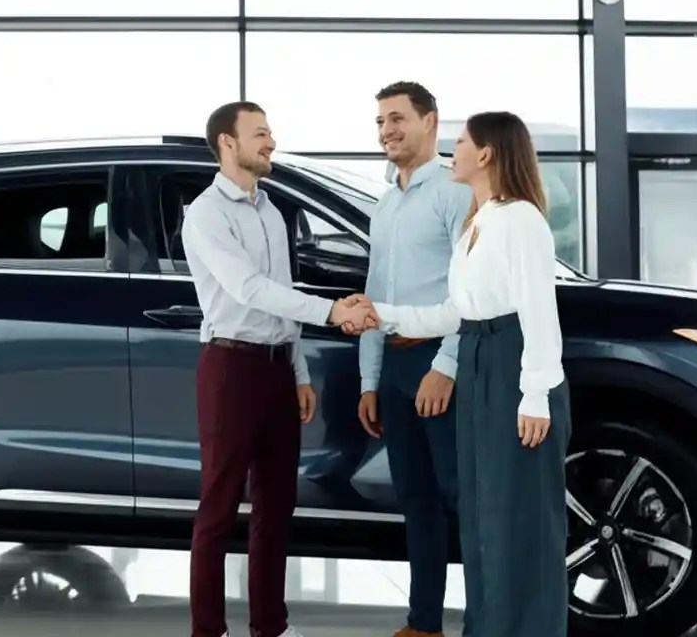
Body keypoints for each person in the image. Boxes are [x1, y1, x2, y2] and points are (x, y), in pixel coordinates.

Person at [345, 111, 570, 637]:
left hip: (514, 368)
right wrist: (385, 314)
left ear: (487, 153)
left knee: (520, 519)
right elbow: (457, 311)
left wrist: (535, 394)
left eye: (462, 143)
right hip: (478, 356)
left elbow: (540, 312)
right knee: (482, 513)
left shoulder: (521, 220)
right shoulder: (482, 219)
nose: (454, 152)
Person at [181, 100, 377, 637]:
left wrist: (297, 371)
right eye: (260, 133)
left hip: (273, 371)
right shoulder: (205, 214)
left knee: (276, 506)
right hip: (230, 368)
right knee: (218, 508)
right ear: (228, 143)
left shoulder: (269, 210)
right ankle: (208, 630)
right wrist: (334, 311)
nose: (271, 141)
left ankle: (270, 624)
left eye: (270, 132)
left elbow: (282, 296)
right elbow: (248, 290)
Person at [358, 82, 474, 637]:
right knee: (416, 500)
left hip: (438, 363)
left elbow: (471, 290)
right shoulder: (385, 206)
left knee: (463, 497)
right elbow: (374, 292)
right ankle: (423, 624)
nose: (387, 131)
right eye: (381, 121)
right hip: (397, 366)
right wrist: (369, 379)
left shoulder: (455, 193)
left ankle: (487, 620)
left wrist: (445, 365)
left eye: (398, 118)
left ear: (431, 121)